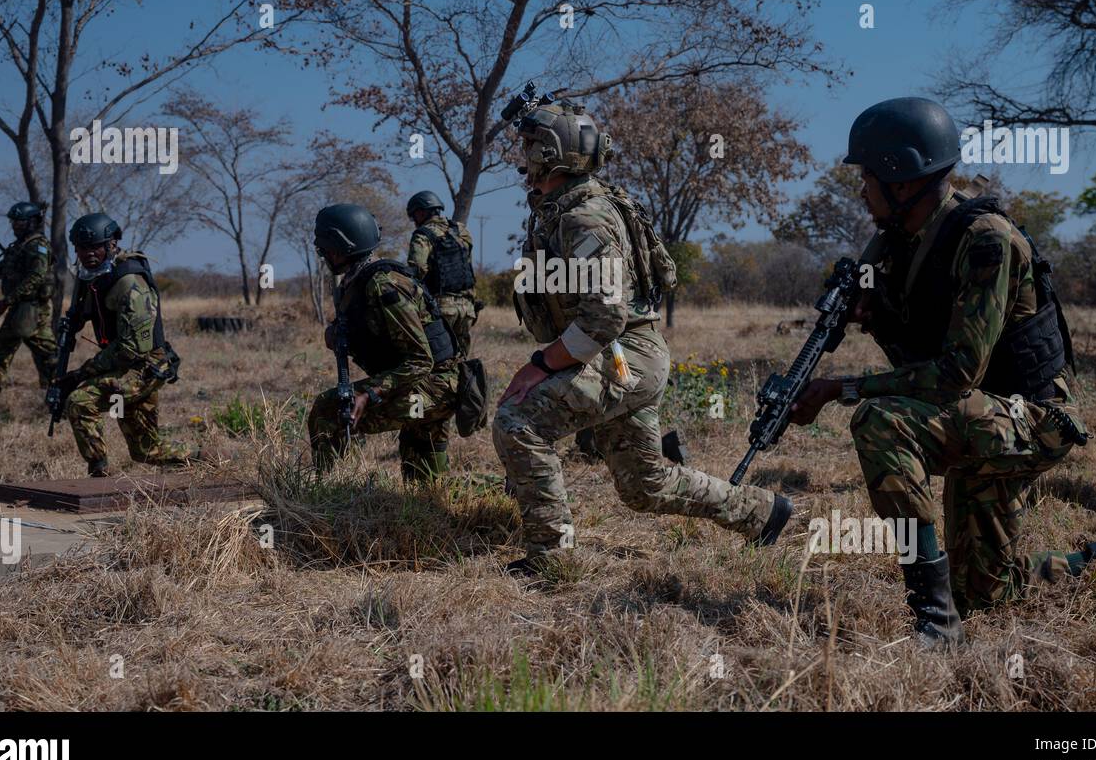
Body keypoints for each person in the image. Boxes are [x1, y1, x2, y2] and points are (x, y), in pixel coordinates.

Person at [786, 97, 1096, 646]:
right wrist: (879, 318)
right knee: (987, 593)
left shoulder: (986, 241)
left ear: (901, 180)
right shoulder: (896, 246)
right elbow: (926, 367)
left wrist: (844, 388)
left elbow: (956, 373)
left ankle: (935, 618)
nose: (860, 190)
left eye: (866, 176)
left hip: (1033, 419)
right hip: (981, 418)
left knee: (878, 420)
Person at [493, 98, 792, 576]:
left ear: (550, 154)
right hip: (621, 357)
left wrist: (541, 364)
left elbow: (603, 319)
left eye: (529, 146)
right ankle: (761, 512)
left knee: (518, 421)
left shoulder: (584, 217)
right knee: (644, 486)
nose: (522, 157)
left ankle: (551, 558)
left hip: (624, 355)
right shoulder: (565, 209)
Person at [307, 203, 461, 481]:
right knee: (420, 476)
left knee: (328, 412)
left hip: (436, 385)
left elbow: (420, 359)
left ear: (341, 248)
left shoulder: (384, 285)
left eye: (327, 248)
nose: (324, 254)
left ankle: (327, 494)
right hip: (424, 383)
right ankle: (430, 506)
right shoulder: (357, 282)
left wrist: (369, 394)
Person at [55, 213, 192, 477]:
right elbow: (90, 309)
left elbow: (131, 349)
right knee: (146, 450)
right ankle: (208, 458)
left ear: (112, 244)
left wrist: (83, 373)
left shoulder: (129, 282)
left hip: (144, 367)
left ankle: (98, 473)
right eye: (82, 248)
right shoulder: (96, 275)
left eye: (95, 246)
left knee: (79, 401)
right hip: (128, 366)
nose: (88, 253)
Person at [0, 202, 58, 417]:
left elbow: (36, 277)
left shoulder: (38, 246)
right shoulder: (18, 246)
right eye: (13, 221)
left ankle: (59, 405)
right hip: (19, 309)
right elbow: (8, 271)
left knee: (49, 359)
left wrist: (6, 301)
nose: (15, 225)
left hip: (32, 311)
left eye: (20, 221)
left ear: (32, 221)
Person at [405, 191, 480, 357]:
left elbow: (416, 271)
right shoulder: (461, 230)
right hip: (467, 308)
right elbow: (467, 265)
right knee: (462, 360)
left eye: (414, 216)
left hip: (442, 308)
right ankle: (468, 383)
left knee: (440, 362)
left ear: (422, 212)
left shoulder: (423, 235)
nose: (414, 221)